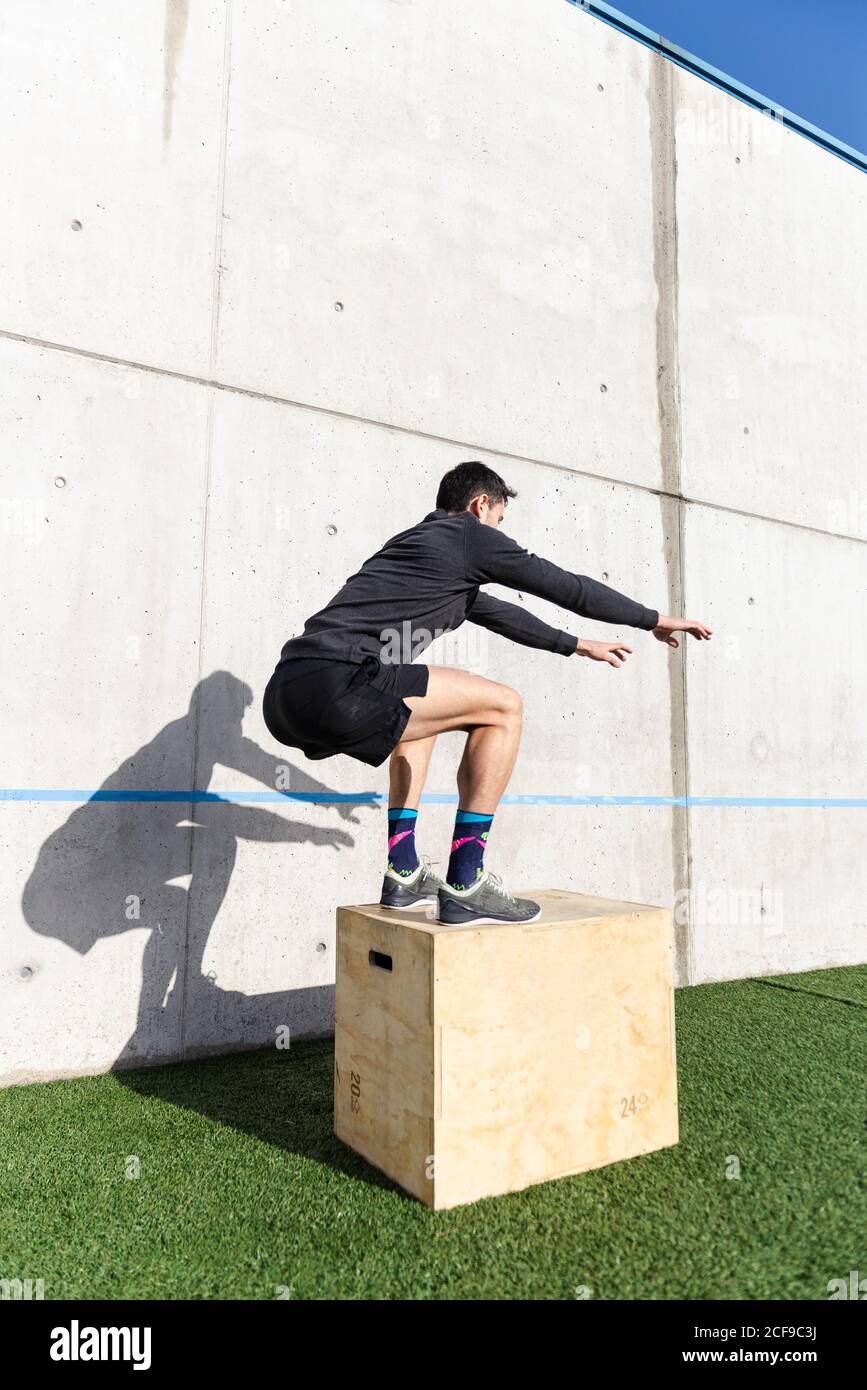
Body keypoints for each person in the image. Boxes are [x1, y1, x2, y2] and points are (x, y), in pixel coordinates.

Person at [263, 461, 712, 924]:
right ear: (481, 505)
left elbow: (501, 614)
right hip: (342, 682)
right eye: (499, 520)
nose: (498, 533)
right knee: (503, 707)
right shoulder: (467, 536)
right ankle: (465, 880)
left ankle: (402, 869)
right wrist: (654, 619)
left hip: (287, 693)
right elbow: (567, 587)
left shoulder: (417, 547)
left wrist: (578, 646)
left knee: (419, 720)